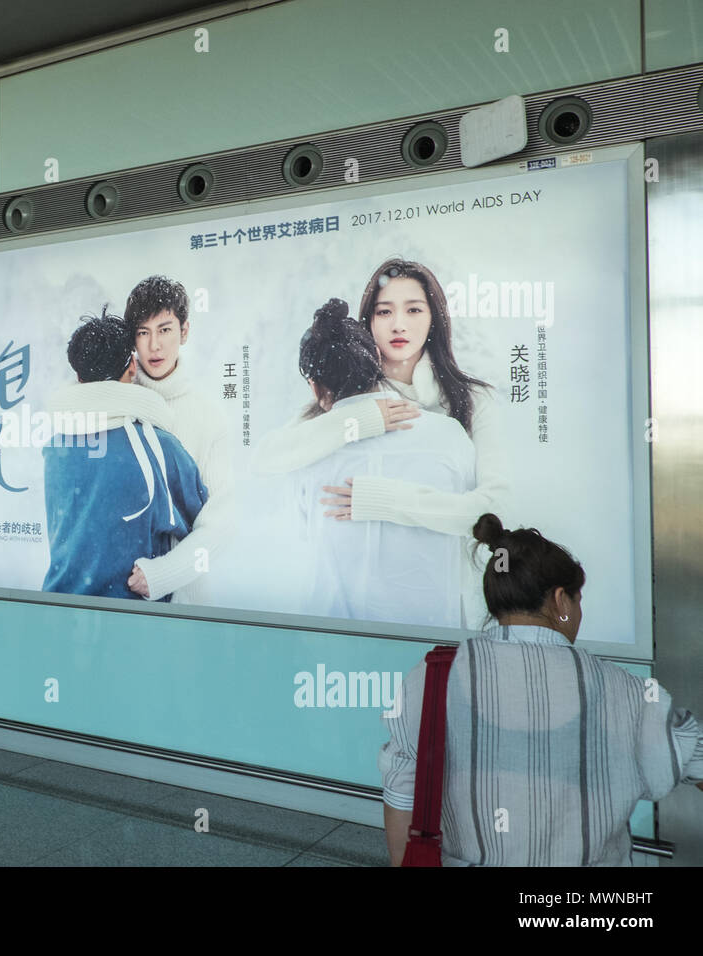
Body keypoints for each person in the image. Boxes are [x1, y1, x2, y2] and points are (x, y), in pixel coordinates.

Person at [379, 513, 703, 866]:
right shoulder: (629, 695)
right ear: (562, 600)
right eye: (578, 600)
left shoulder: (430, 678)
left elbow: (402, 796)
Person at [255, 258, 506, 537]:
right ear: (369, 321)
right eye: (384, 312)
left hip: (443, 572)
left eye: (413, 310)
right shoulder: (347, 396)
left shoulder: (473, 399)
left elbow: (494, 511)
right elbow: (268, 458)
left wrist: (390, 501)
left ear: (434, 318)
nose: (398, 325)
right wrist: (357, 421)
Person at [289, 299, 474, 627]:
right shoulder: (449, 437)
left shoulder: (306, 455)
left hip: (334, 651)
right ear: (376, 358)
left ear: (316, 388)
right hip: (432, 647)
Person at [42, 308, 207, 600]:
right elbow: (203, 520)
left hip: (57, 608)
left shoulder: (55, 446)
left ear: (79, 376)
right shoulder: (157, 446)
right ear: (133, 365)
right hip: (126, 620)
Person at [123, 276, 233, 606]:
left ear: (184, 332)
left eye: (165, 329)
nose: (154, 345)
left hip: (185, 600)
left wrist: (163, 574)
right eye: (143, 332)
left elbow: (221, 524)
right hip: (115, 592)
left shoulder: (208, 415)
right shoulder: (116, 403)